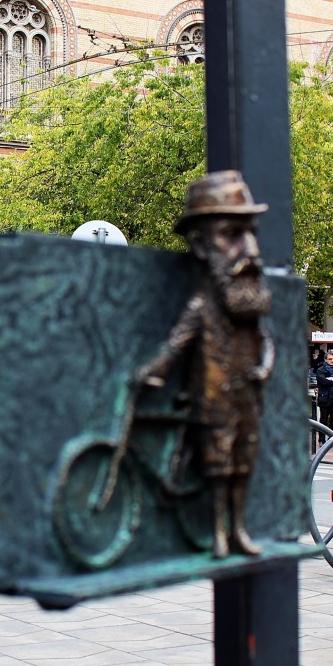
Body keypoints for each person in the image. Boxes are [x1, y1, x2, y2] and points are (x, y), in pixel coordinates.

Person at [139, 170, 273, 559]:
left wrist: (264, 368)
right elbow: (175, 345)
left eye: (251, 233)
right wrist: (154, 371)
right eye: (231, 234)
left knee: (243, 464)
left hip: (246, 398)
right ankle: (217, 532)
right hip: (213, 402)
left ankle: (239, 529)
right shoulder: (202, 308)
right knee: (217, 468)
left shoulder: (247, 310)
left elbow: (267, 344)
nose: (250, 249)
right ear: (200, 246)